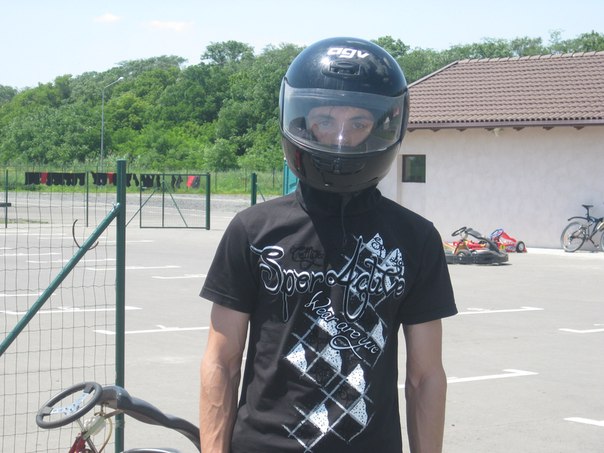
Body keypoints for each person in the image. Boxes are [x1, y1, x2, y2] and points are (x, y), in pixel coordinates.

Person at [199, 37, 457, 453]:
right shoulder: (252, 230)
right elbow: (220, 362)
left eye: (358, 123)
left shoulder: (415, 238)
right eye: (325, 120)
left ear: (383, 127)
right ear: (301, 122)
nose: (341, 137)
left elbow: (425, 377)